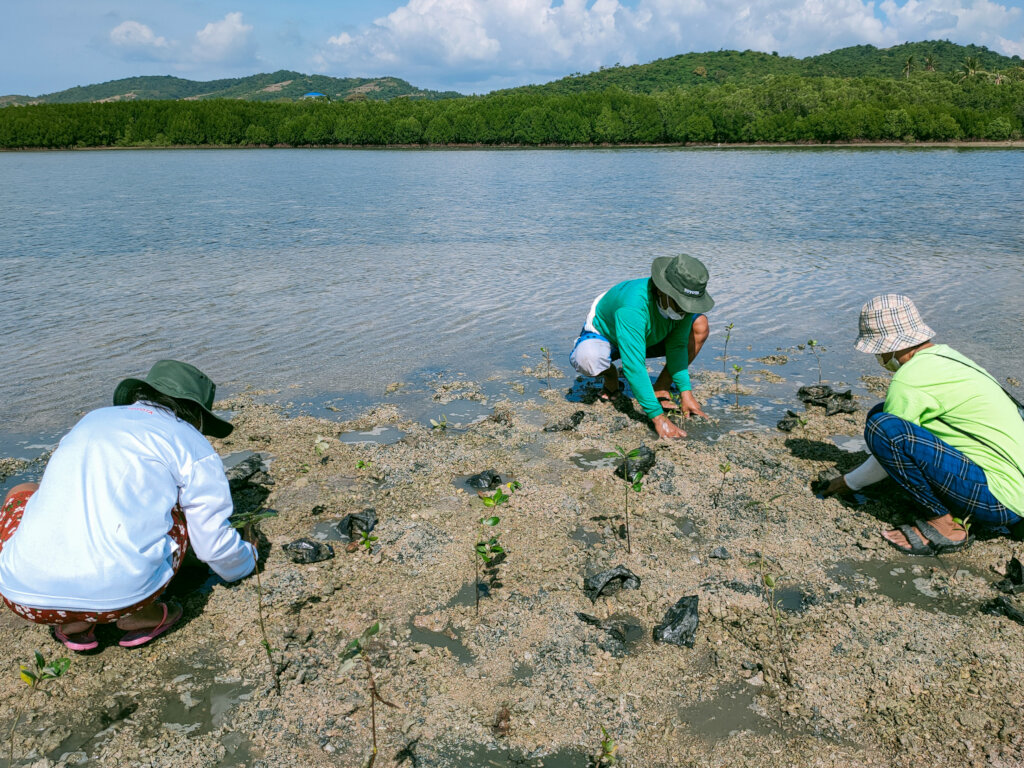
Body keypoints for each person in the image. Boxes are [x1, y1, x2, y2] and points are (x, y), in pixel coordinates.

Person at [0, 360, 257, 651]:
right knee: (177, 508)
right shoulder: (190, 440)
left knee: (24, 491)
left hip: (23, 599)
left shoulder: (92, 419)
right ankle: (142, 616)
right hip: (125, 597)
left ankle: (73, 622)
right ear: (197, 414)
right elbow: (213, 545)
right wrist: (248, 559)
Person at [822, 295, 1024, 553]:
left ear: (890, 347)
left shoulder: (909, 378)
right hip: (1017, 488)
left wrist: (849, 482)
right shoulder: (949, 357)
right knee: (882, 413)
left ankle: (945, 525)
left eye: (879, 350)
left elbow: (890, 444)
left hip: (999, 501)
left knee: (883, 426)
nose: (879, 357)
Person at [569, 253, 713, 439]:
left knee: (699, 324)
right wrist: (658, 418)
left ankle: (661, 386)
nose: (685, 310)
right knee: (587, 359)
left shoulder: (681, 309)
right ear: (664, 290)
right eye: (681, 303)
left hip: (647, 335)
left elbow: (677, 347)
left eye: (689, 304)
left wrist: (686, 392)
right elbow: (634, 366)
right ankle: (611, 375)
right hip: (608, 336)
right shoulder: (633, 306)